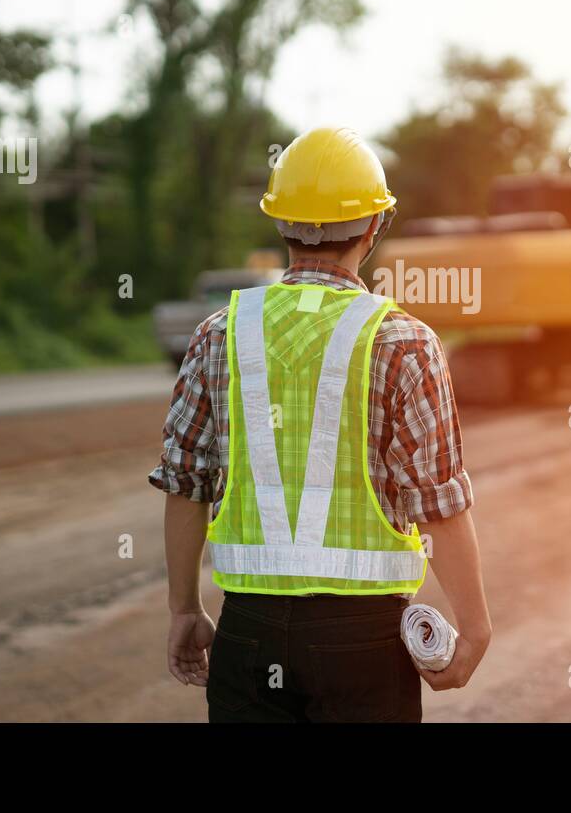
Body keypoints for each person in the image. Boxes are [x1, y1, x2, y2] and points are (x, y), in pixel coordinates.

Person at [150, 126, 491, 722]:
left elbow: (185, 483)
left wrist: (183, 608)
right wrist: (475, 624)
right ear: (375, 226)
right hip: (363, 644)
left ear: (279, 225)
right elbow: (436, 499)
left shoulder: (217, 334)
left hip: (247, 635)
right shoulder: (404, 341)